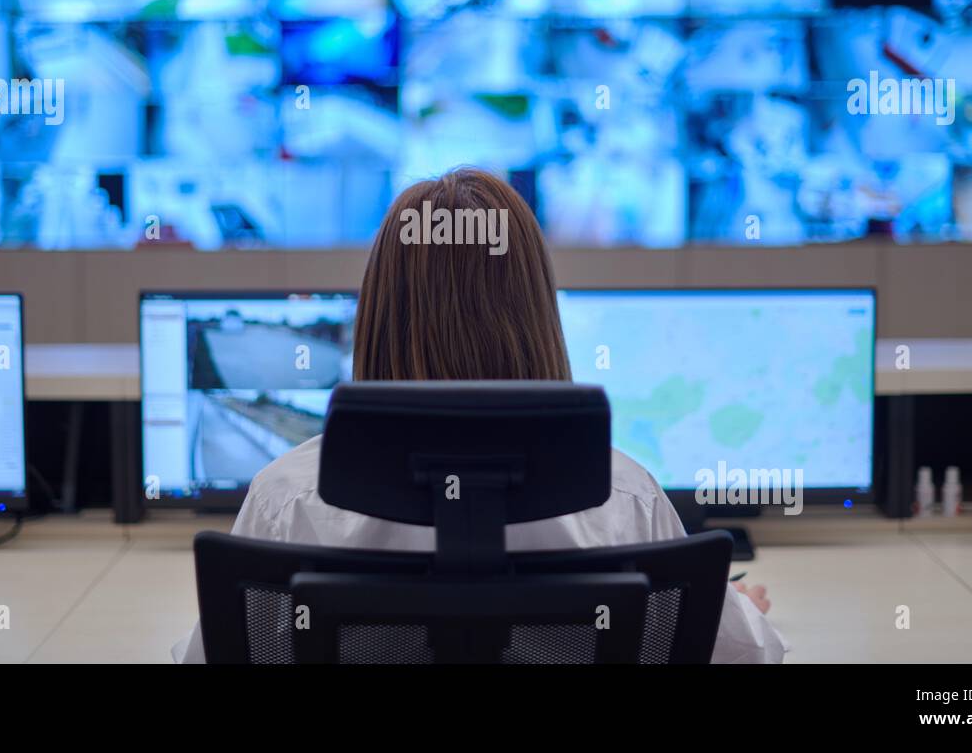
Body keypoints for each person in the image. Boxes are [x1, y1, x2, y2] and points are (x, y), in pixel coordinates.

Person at [174, 168, 787, 663]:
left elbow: (211, 655)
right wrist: (741, 615)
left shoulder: (288, 498)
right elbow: (749, 656)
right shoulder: (622, 496)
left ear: (381, 313)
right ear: (536, 313)